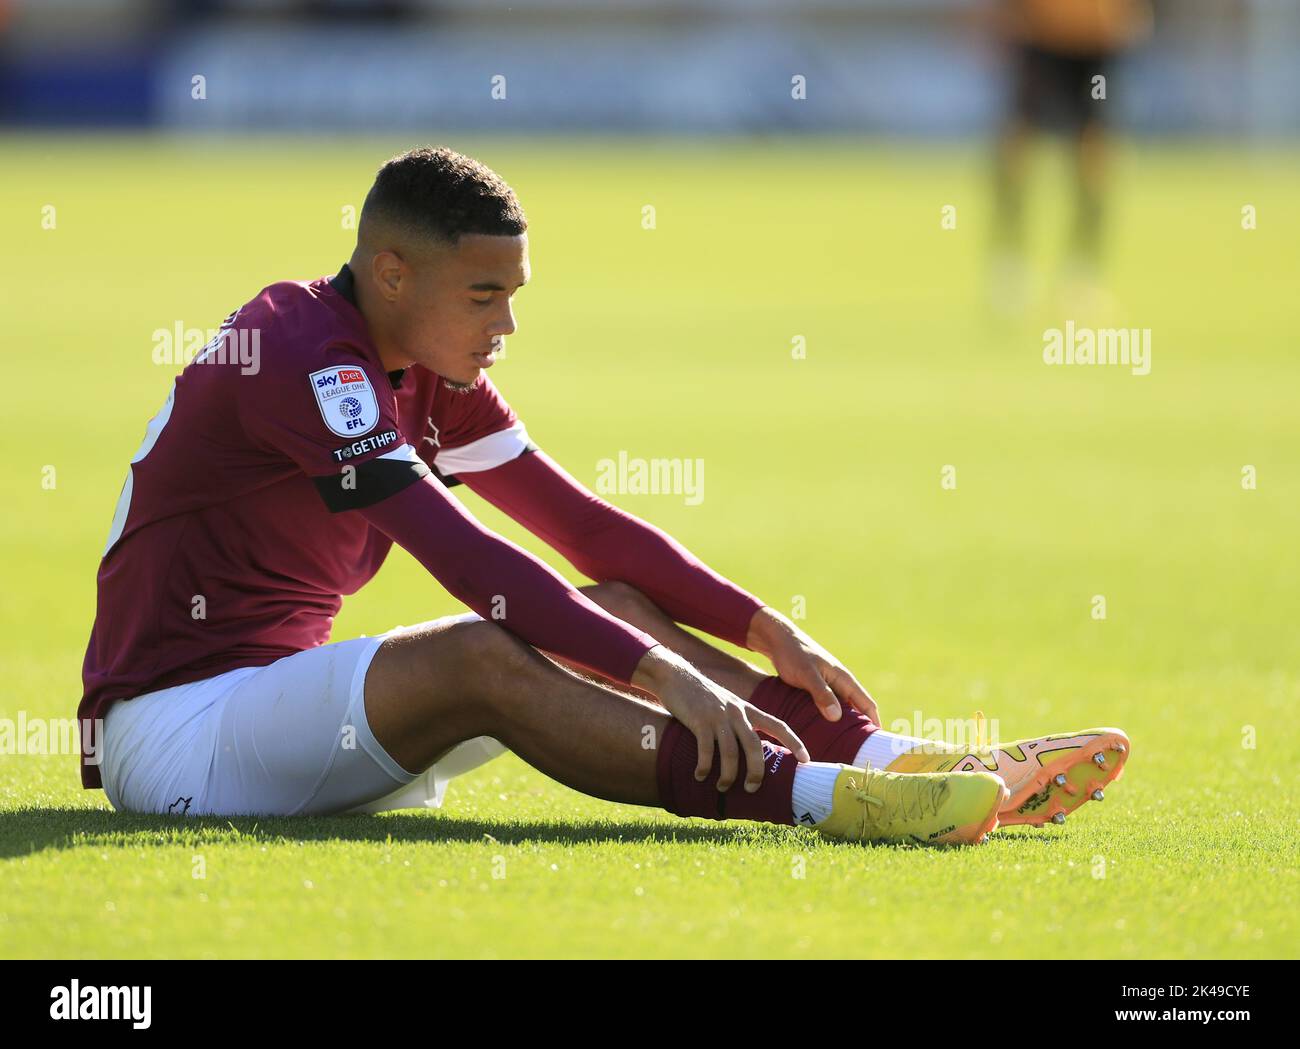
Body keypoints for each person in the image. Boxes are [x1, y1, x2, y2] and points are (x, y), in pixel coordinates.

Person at [78, 147, 1128, 844]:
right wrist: (668, 674)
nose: (506, 325)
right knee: (483, 649)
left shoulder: (429, 372)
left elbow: (585, 529)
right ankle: (830, 800)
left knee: (609, 607)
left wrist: (767, 628)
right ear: (391, 274)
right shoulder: (306, 352)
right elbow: (471, 561)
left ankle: (928, 767)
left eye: (513, 295)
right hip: (176, 736)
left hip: (295, 722)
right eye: (483, 295)